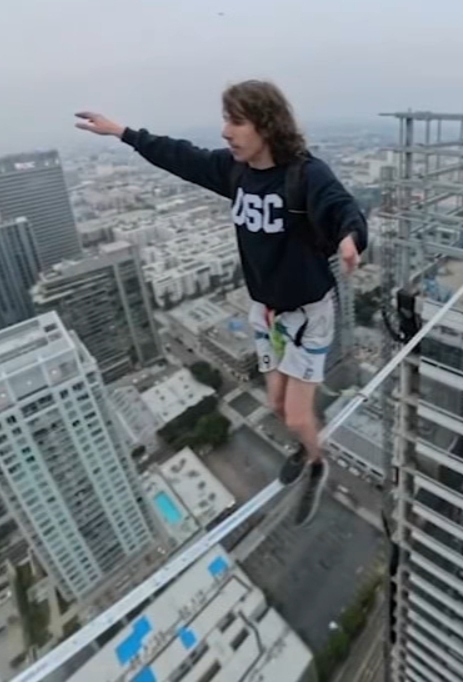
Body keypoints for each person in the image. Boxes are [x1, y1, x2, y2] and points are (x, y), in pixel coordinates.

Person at [74, 80, 368, 528]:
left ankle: (315, 462)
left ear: (266, 125)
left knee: (295, 414)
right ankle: (303, 442)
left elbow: (342, 206)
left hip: (308, 312)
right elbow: (179, 156)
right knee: (276, 402)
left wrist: (350, 239)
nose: (225, 132)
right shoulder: (235, 172)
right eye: (226, 120)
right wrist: (121, 132)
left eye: (236, 121)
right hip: (265, 310)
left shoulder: (305, 175)